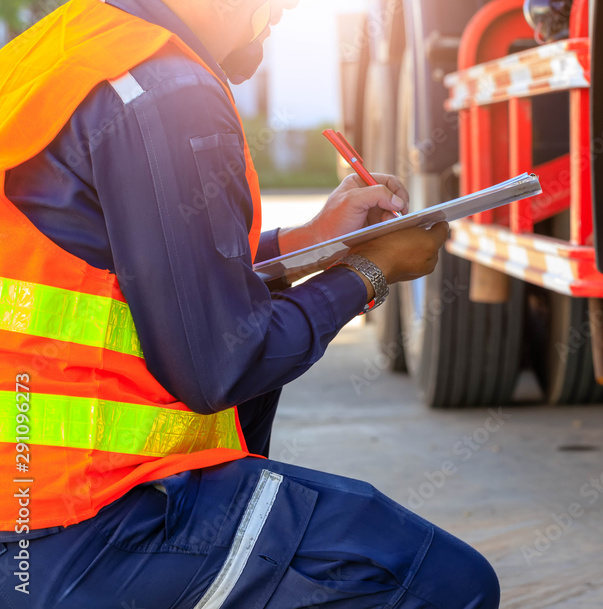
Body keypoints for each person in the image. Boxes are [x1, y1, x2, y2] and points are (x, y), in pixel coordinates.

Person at [0, 0, 501, 607]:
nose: (283, 14)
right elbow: (221, 362)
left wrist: (310, 242)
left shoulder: (59, 52)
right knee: (441, 583)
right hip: (89, 521)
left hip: (29, 510)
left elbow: (145, 268)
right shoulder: (164, 88)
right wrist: (368, 271)